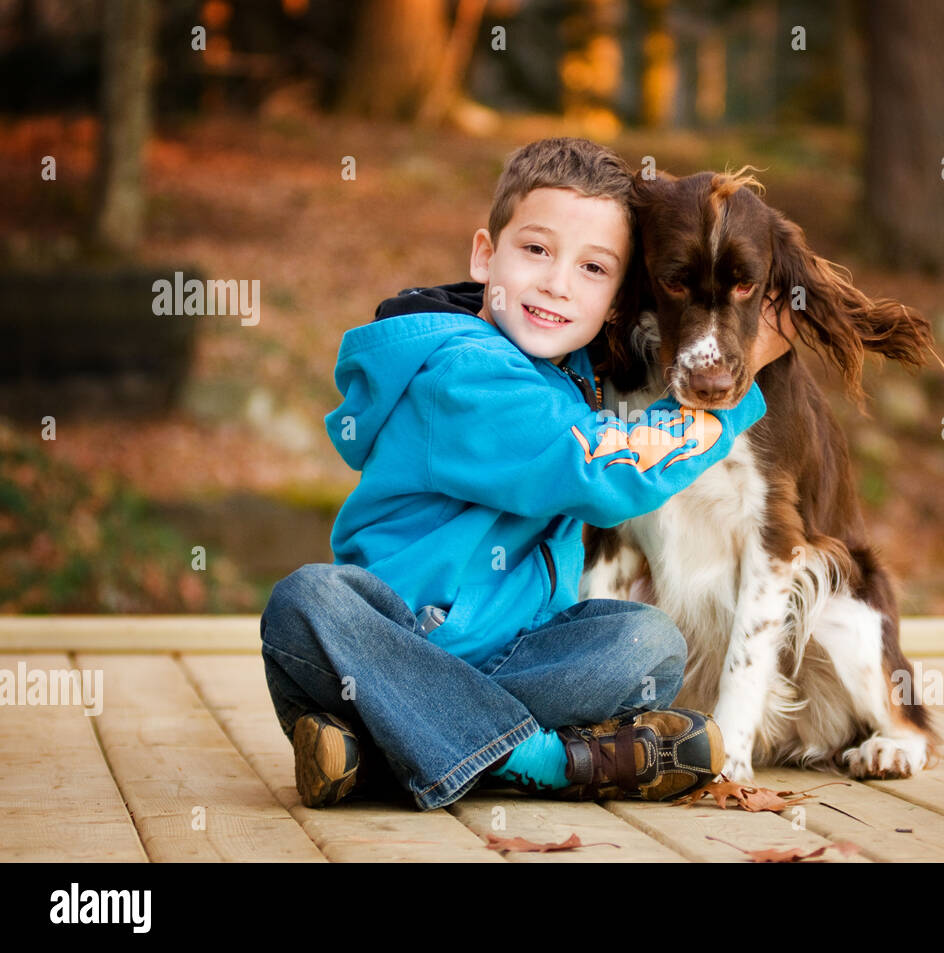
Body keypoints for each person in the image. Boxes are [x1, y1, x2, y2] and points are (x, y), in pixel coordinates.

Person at [260, 137, 793, 811]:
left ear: (620, 296)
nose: (557, 282)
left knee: (649, 641)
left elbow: (607, 439)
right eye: (536, 250)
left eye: (593, 268)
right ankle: (541, 759)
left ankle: (383, 752)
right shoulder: (460, 372)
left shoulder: (569, 377)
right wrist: (732, 398)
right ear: (486, 255)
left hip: (518, 659)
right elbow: (599, 469)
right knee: (306, 601)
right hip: (387, 645)